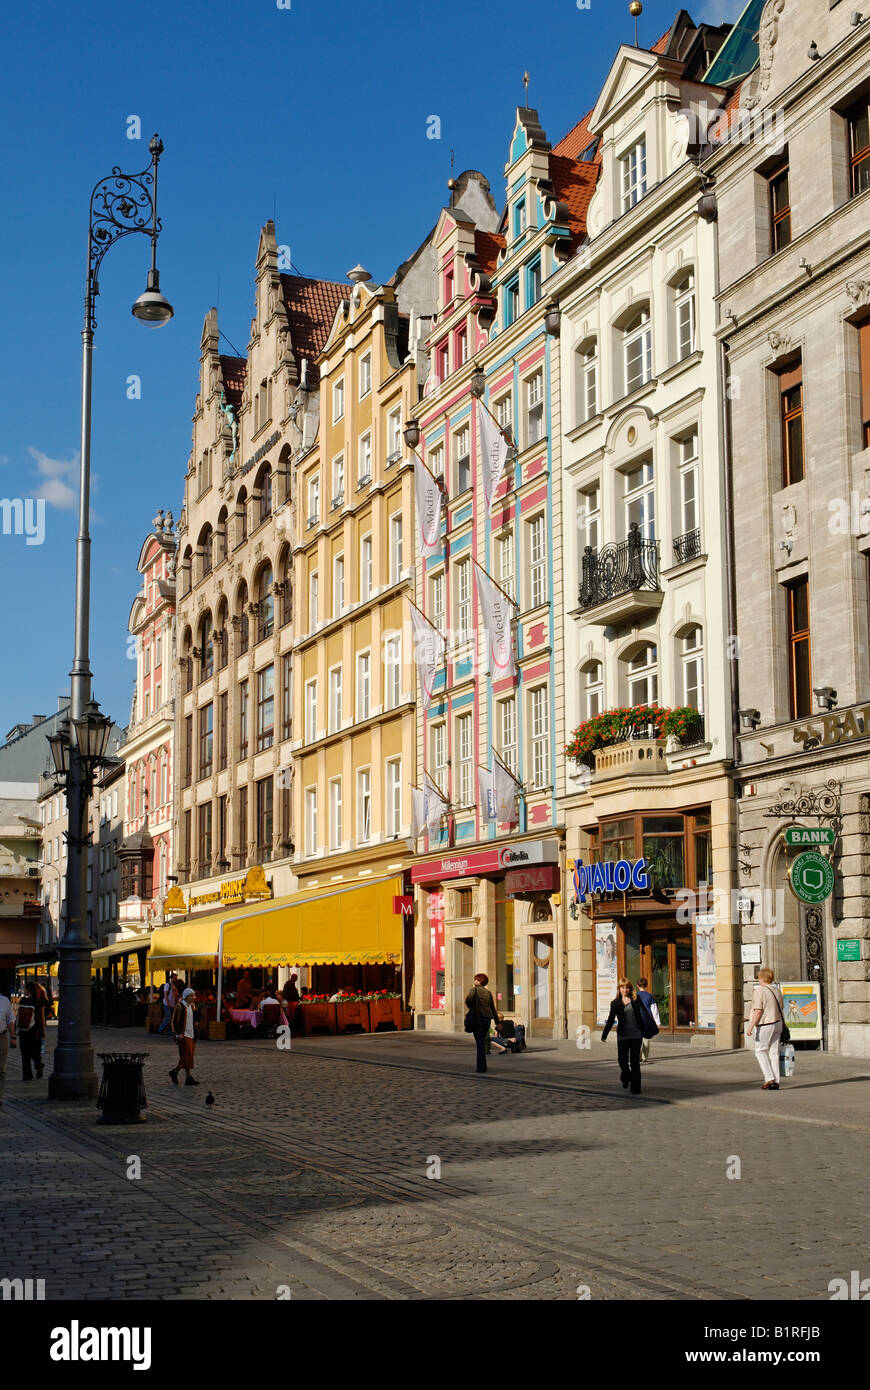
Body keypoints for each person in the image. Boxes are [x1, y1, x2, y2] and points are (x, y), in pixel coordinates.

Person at [601, 977, 646, 1095]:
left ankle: (636, 1088)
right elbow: (611, 1019)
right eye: (622, 987)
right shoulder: (615, 1003)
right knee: (622, 1061)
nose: (625, 989)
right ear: (619, 989)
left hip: (636, 1035)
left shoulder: (636, 1000)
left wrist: (646, 1030)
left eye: (627, 987)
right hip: (623, 1035)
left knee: (635, 1061)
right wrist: (604, 1034)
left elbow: (643, 1015)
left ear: (630, 988)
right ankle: (626, 1077)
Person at [746, 967, 785, 1090]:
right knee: (774, 1052)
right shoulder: (776, 990)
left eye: (759, 976)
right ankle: (776, 1080)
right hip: (778, 1023)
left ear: (761, 978)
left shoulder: (759, 991)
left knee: (760, 1051)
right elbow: (781, 1007)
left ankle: (769, 1079)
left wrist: (750, 1026)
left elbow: (758, 1011)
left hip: (765, 1024)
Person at [465, 973, 499, 1074]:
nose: (474, 981)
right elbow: (492, 1008)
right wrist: (497, 1022)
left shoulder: (473, 990)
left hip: (477, 1019)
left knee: (480, 1044)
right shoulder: (488, 992)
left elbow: (468, 1002)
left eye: (476, 979)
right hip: (487, 1020)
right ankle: (482, 1066)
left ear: (479, 981)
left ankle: (481, 1067)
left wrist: (473, 1008)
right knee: (482, 1043)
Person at [17, 980, 47, 1082]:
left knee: (25, 1053)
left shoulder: (23, 1001)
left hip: (23, 1030)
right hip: (35, 1030)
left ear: (27, 990)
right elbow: (42, 1018)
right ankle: (38, 1065)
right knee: (35, 1051)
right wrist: (43, 1031)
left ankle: (27, 1075)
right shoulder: (40, 1002)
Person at [169, 988, 199, 1087]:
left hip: (191, 1034)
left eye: (194, 995)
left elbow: (194, 1018)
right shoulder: (179, 1006)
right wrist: (177, 1033)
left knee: (186, 1056)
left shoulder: (193, 1006)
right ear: (186, 997)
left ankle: (175, 1071)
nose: (193, 998)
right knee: (187, 1055)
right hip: (183, 1034)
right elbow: (173, 1021)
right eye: (191, 996)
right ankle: (188, 1077)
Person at [636, 977, 661, 1063]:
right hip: (647, 1020)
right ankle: (644, 1057)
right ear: (646, 985)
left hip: (637, 1020)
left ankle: (636, 1056)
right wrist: (657, 1022)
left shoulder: (635, 995)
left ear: (637, 985)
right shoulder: (649, 996)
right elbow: (654, 1009)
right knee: (646, 1039)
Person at [0, 988, 16, 1107]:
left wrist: (13, 1037)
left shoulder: (4, 1000)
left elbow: (10, 1020)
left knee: (1, 1069)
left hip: (1, 1037)